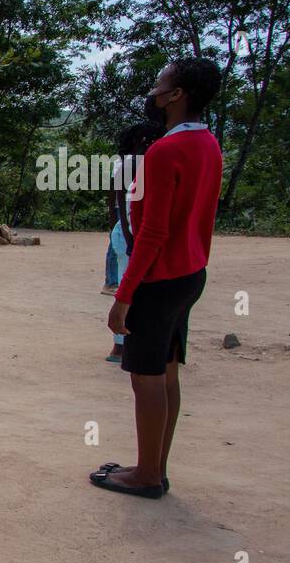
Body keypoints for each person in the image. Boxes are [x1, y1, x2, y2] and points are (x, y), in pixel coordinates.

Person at [91, 57, 223, 500]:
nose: (154, 91)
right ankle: (155, 467)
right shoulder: (209, 143)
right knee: (166, 375)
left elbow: (152, 232)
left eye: (160, 84)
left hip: (159, 280)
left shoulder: (164, 152)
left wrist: (123, 296)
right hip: (189, 274)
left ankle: (146, 477)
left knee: (144, 378)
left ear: (177, 94)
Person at [104, 121, 164, 363]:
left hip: (128, 234)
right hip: (130, 236)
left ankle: (124, 345)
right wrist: (130, 240)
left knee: (132, 289)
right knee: (128, 290)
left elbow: (116, 206)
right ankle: (120, 346)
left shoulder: (138, 165)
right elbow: (121, 207)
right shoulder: (131, 165)